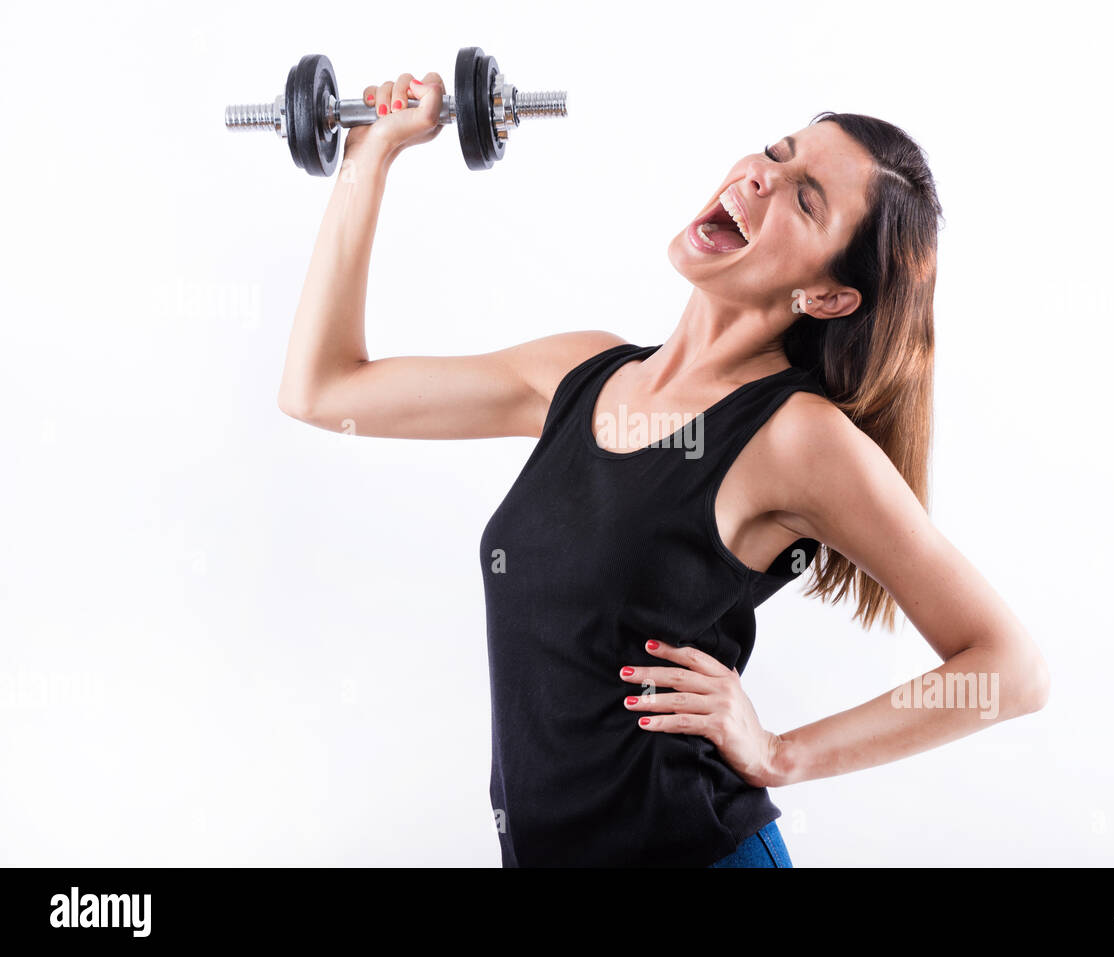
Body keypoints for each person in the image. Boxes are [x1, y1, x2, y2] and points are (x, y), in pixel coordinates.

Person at [277, 71, 1051, 867]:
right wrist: (368, 157)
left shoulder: (796, 438)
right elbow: (322, 390)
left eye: (805, 197)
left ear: (827, 296)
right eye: (777, 155)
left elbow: (1009, 669)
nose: (761, 176)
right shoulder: (577, 374)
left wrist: (782, 752)